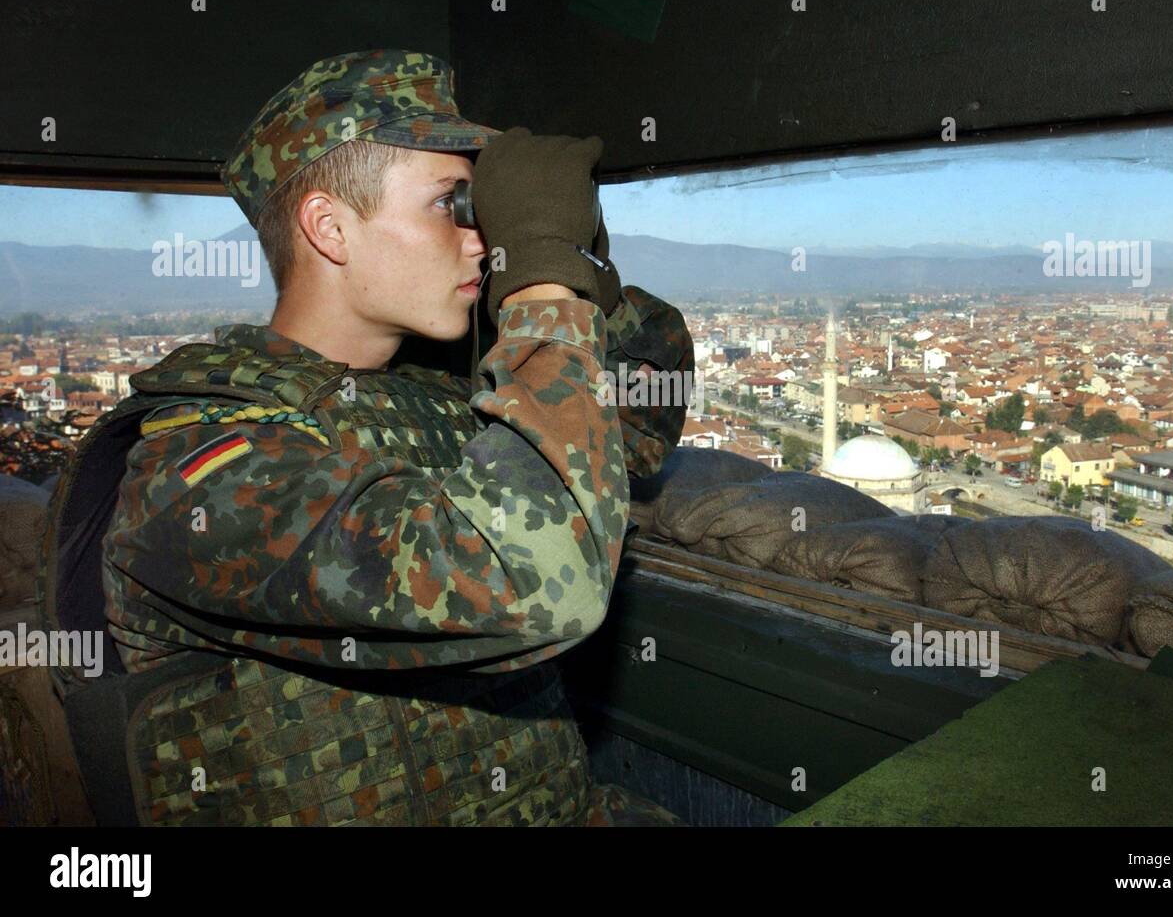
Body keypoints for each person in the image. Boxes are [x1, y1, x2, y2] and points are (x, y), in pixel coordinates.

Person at [39, 49, 693, 826]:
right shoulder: (202, 467)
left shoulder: (447, 390)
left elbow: (647, 409)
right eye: (452, 205)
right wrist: (545, 283)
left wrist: (568, 254)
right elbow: (531, 584)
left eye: (489, 209)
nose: (484, 239)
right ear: (329, 228)